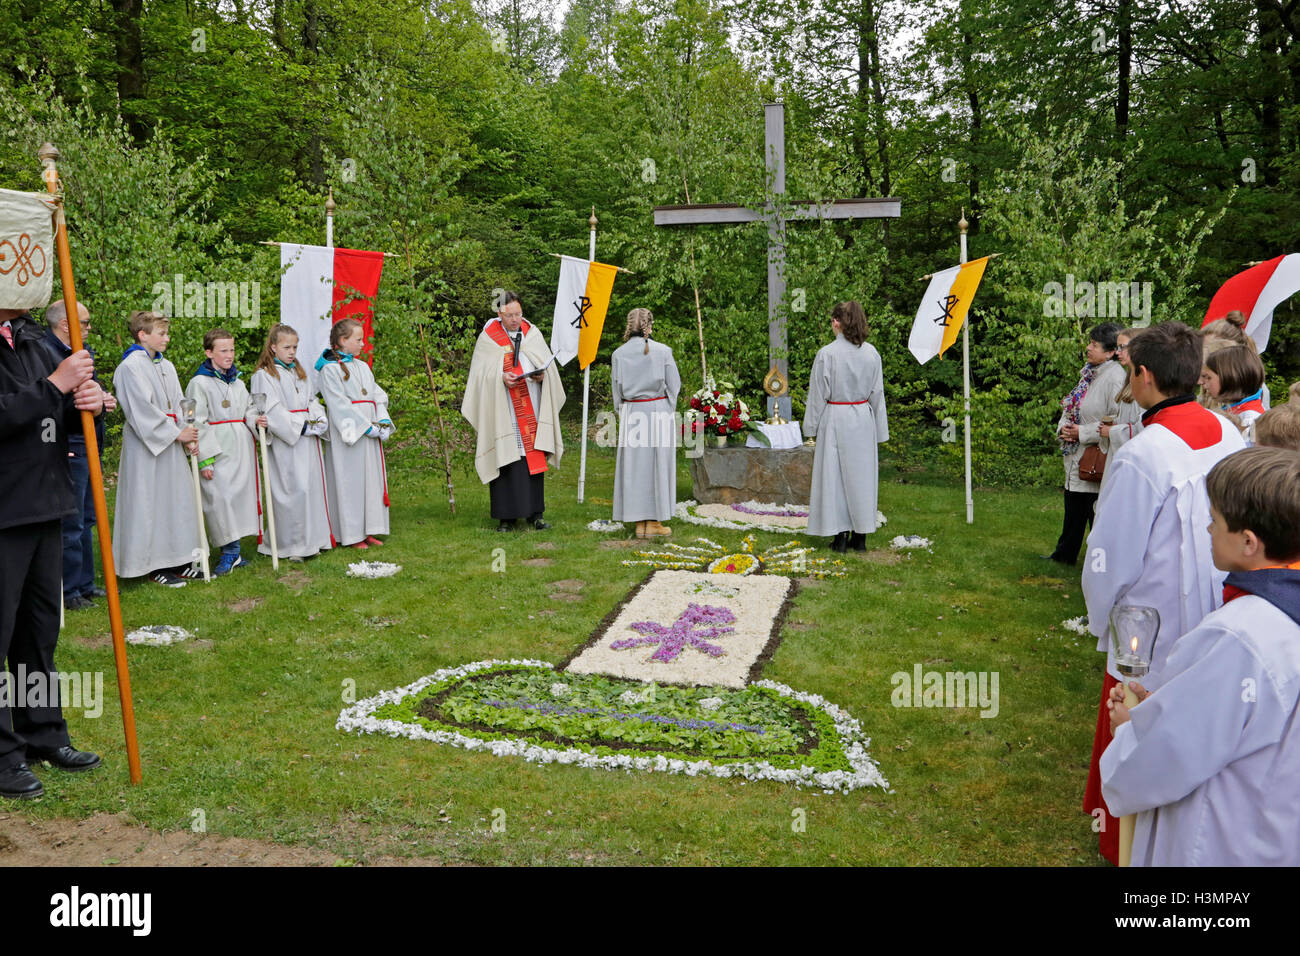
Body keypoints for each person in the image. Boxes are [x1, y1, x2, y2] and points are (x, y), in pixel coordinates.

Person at [1080, 321, 1246, 864]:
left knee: (1137, 722)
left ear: (1145, 375)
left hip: (1148, 626)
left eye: (1130, 372)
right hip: (1218, 607)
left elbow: (1111, 556)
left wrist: (1100, 614)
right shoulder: (1227, 433)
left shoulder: (1143, 454)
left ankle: (1127, 840)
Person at [1101, 446, 1300, 866]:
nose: (1207, 530)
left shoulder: (1239, 637)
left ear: (1249, 541)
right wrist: (1164, 708)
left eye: (1214, 521)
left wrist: (1131, 732)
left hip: (1225, 840)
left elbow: (1165, 757)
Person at [1, 305, 104, 799]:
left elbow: (56, 417)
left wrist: (87, 402)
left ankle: (43, 733)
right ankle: (2, 755)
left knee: (38, 634)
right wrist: (56, 386)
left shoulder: (32, 340)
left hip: (44, 504)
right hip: (2, 510)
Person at [112, 310, 203, 586]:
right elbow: (141, 411)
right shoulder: (129, 367)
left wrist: (188, 431)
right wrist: (177, 433)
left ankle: (179, 559)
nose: (167, 338)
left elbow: (179, 403)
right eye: (161, 333)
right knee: (150, 502)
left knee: (175, 501)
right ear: (143, 335)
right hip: (147, 448)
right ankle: (153, 564)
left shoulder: (167, 366)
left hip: (172, 443)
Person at [462, 291, 565, 531]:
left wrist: (542, 375)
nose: (516, 319)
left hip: (532, 404)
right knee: (507, 458)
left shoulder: (532, 333)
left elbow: (547, 365)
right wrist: (499, 377)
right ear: (499, 313)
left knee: (533, 457)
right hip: (504, 410)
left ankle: (535, 514)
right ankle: (506, 518)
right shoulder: (488, 338)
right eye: (510, 315)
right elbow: (479, 376)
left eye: (519, 314)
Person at [43, 300, 116, 610]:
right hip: (68, 441)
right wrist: (89, 402)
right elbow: (52, 402)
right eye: (84, 323)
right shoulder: (47, 354)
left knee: (88, 516)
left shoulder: (78, 353)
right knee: (71, 520)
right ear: (65, 324)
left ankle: (85, 583)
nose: (88, 328)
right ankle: (69, 589)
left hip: (88, 441)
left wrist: (101, 398)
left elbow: (87, 391)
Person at [803, 300, 889, 553]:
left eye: (834, 319)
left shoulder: (827, 354)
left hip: (836, 418)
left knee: (836, 478)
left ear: (838, 322)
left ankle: (841, 537)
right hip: (862, 419)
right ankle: (859, 538)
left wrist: (810, 429)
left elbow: (817, 395)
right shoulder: (872, 353)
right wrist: (879, 430)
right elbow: (878, 394)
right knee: (862, 478)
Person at [250, 324, 334, 559]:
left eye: (295, 347)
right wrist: (301, 426)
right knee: (294, 489)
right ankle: (292, 544)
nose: (292, 352)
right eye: (287, 347)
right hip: (288, 440)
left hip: (308, 440)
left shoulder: (299, 372)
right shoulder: (263, 376)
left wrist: (318, 418)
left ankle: (314, 540)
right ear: (273, 347)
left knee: (311, 488)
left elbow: (311, 399)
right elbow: (271, 409)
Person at [1044, 323, 1125, 564]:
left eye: (1095, 345)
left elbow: (1117, 420)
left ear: (1110, 352)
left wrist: (1082, 432)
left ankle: (1102, 562)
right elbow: (1072, 406)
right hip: (1076, 454)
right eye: (1090, 342)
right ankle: (1065, 554)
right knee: (1074, 507)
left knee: (1092, 510)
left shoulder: (1115, 379)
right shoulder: (1089, 373)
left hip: (1095, 456)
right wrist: (1065, 428)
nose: (1088, 348)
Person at [186, 328, 265, 575]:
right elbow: (197, 420)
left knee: (237, 498)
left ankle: (235, 551)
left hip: (239, 446)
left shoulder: (238, 381)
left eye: (231, 349)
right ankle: (228, 550)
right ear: (209, 353)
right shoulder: (199, 383)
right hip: (217, 447)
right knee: (219, 498)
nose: (229, 355)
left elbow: (249, 409)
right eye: (223, 350)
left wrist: (256, 421)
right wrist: (205, 459)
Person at [316, 319, 391, 549]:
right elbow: (338, 404)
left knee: (369, 481)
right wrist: (364, 426)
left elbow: (376, 394)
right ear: (342, 341)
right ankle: (350, 534)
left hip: (370, 431)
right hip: (350, 435)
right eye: (358, 340)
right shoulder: (329, 370)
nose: (363, 344)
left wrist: (382, 419)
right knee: (350, 482)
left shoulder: (362, 367)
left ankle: (368, 529)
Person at [611, 308, 680, 538]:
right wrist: (667, 409)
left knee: (635, 467)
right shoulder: (663, 351)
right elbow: (674, 385)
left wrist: (624, 410)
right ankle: (652, 522)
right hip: (657, 411)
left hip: (632, 412)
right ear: (649, 326)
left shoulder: (619, 354)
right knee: (656, 465)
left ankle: (643, 522)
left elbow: (616, 391)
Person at [1201, 344, 1267, 441]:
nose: (1202, 383)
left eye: (1209, 378)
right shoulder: (1236, 409)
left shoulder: (1250, 420)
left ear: (1230, 378)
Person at [1096, 327, 1142, 462]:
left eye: (1122, 347)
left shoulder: (1146, 385)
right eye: (1117, 347)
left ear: (1138, 347)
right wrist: (1112, 423)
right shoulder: (1130, 380)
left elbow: (1144, 429)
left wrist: (1112, 432)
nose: (1117, 352)